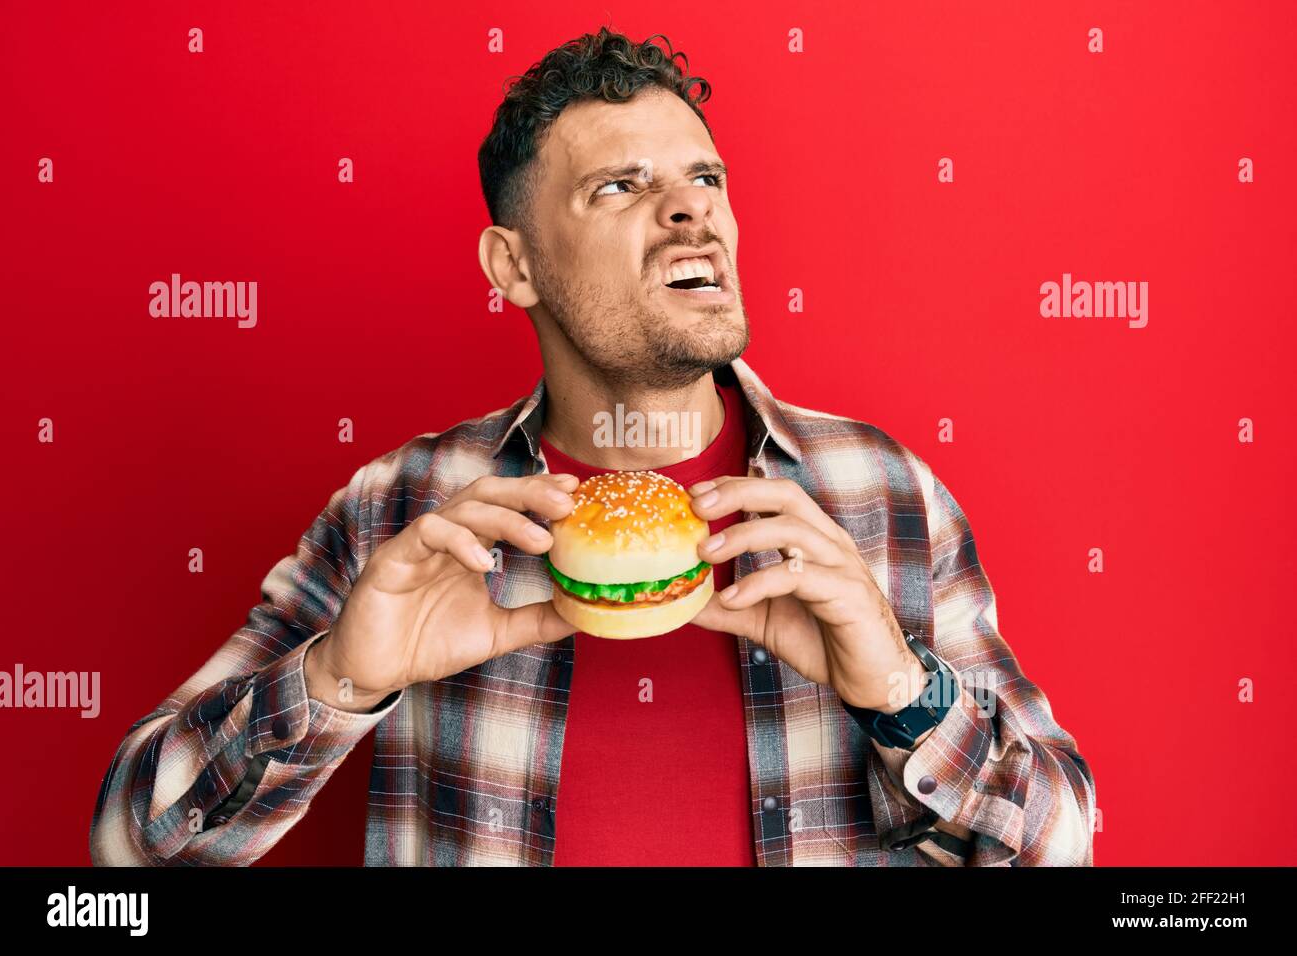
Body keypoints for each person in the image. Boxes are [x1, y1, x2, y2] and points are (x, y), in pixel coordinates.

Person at [90, 27, 1095, 867]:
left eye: (705, 176)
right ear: (512, 264)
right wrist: (339, 680)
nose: (690, 207)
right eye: (619, 186)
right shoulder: (402, 508)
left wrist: (899, 691)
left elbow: (1065, 845)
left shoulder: (880, 494)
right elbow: (129, 846)